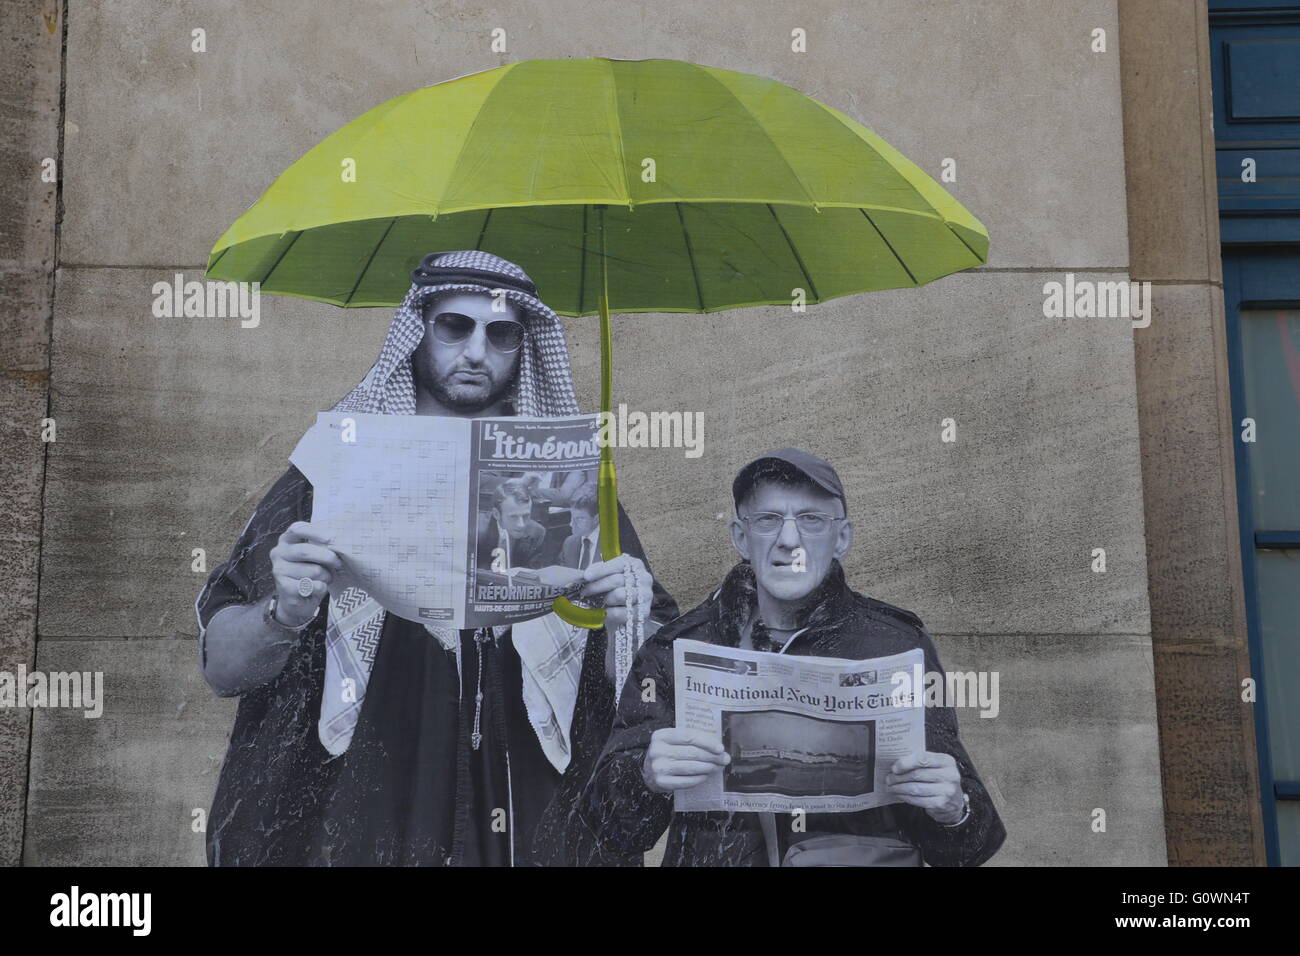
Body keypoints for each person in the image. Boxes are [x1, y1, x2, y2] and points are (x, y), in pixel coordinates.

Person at [195, 250, 678, 866]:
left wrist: (626, 618)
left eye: (501, 333)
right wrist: (283, 612)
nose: (476, 350)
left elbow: (657, 664)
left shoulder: (564, 477)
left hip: (527, 804)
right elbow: (222, 669)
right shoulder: (334, 464)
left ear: (522, 349)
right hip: (361, 800)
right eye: (455, 326)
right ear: (418, 329)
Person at [570, 448, 1005, 866]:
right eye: (768, 520)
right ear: (741, 537)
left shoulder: (896, 646)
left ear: (842, 538)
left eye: (812, 520)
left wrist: (955, 809)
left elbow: (968, 849)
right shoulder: (677, 648)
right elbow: (611, 832)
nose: (789, 540)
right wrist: (645, 778)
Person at [475, 476, 548, 570]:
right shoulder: (477, 531)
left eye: (526, 516)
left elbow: (533, 574)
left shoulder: (537, 532)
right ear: (496, 514)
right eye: (513, 517)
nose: (521, 524)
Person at [559, 487, 600, 571]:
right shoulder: (569, 543)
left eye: (580, 519)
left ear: (596, 519)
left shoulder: (612, 546)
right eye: (572, 517)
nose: (571, 524)